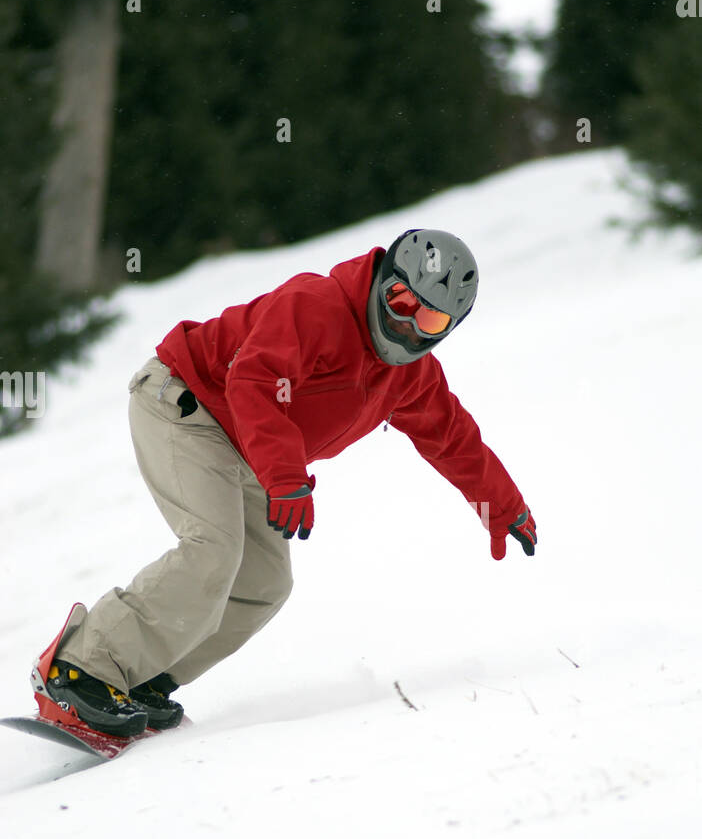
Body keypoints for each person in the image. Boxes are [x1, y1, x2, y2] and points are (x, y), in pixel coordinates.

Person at [40, 228, 537, 738]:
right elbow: (252, 381)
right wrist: (286, 479)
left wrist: (501, 507)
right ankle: (80, 670)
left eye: (429, 317)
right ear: (383, 280)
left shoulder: (411, 376)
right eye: (401, 299)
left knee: (263, 585)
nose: (408, 323)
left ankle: (142, 680)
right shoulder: (316, 306)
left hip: (250, 446)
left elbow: (452, 438)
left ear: (447, 329)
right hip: (187, 404)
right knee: (214, 548)